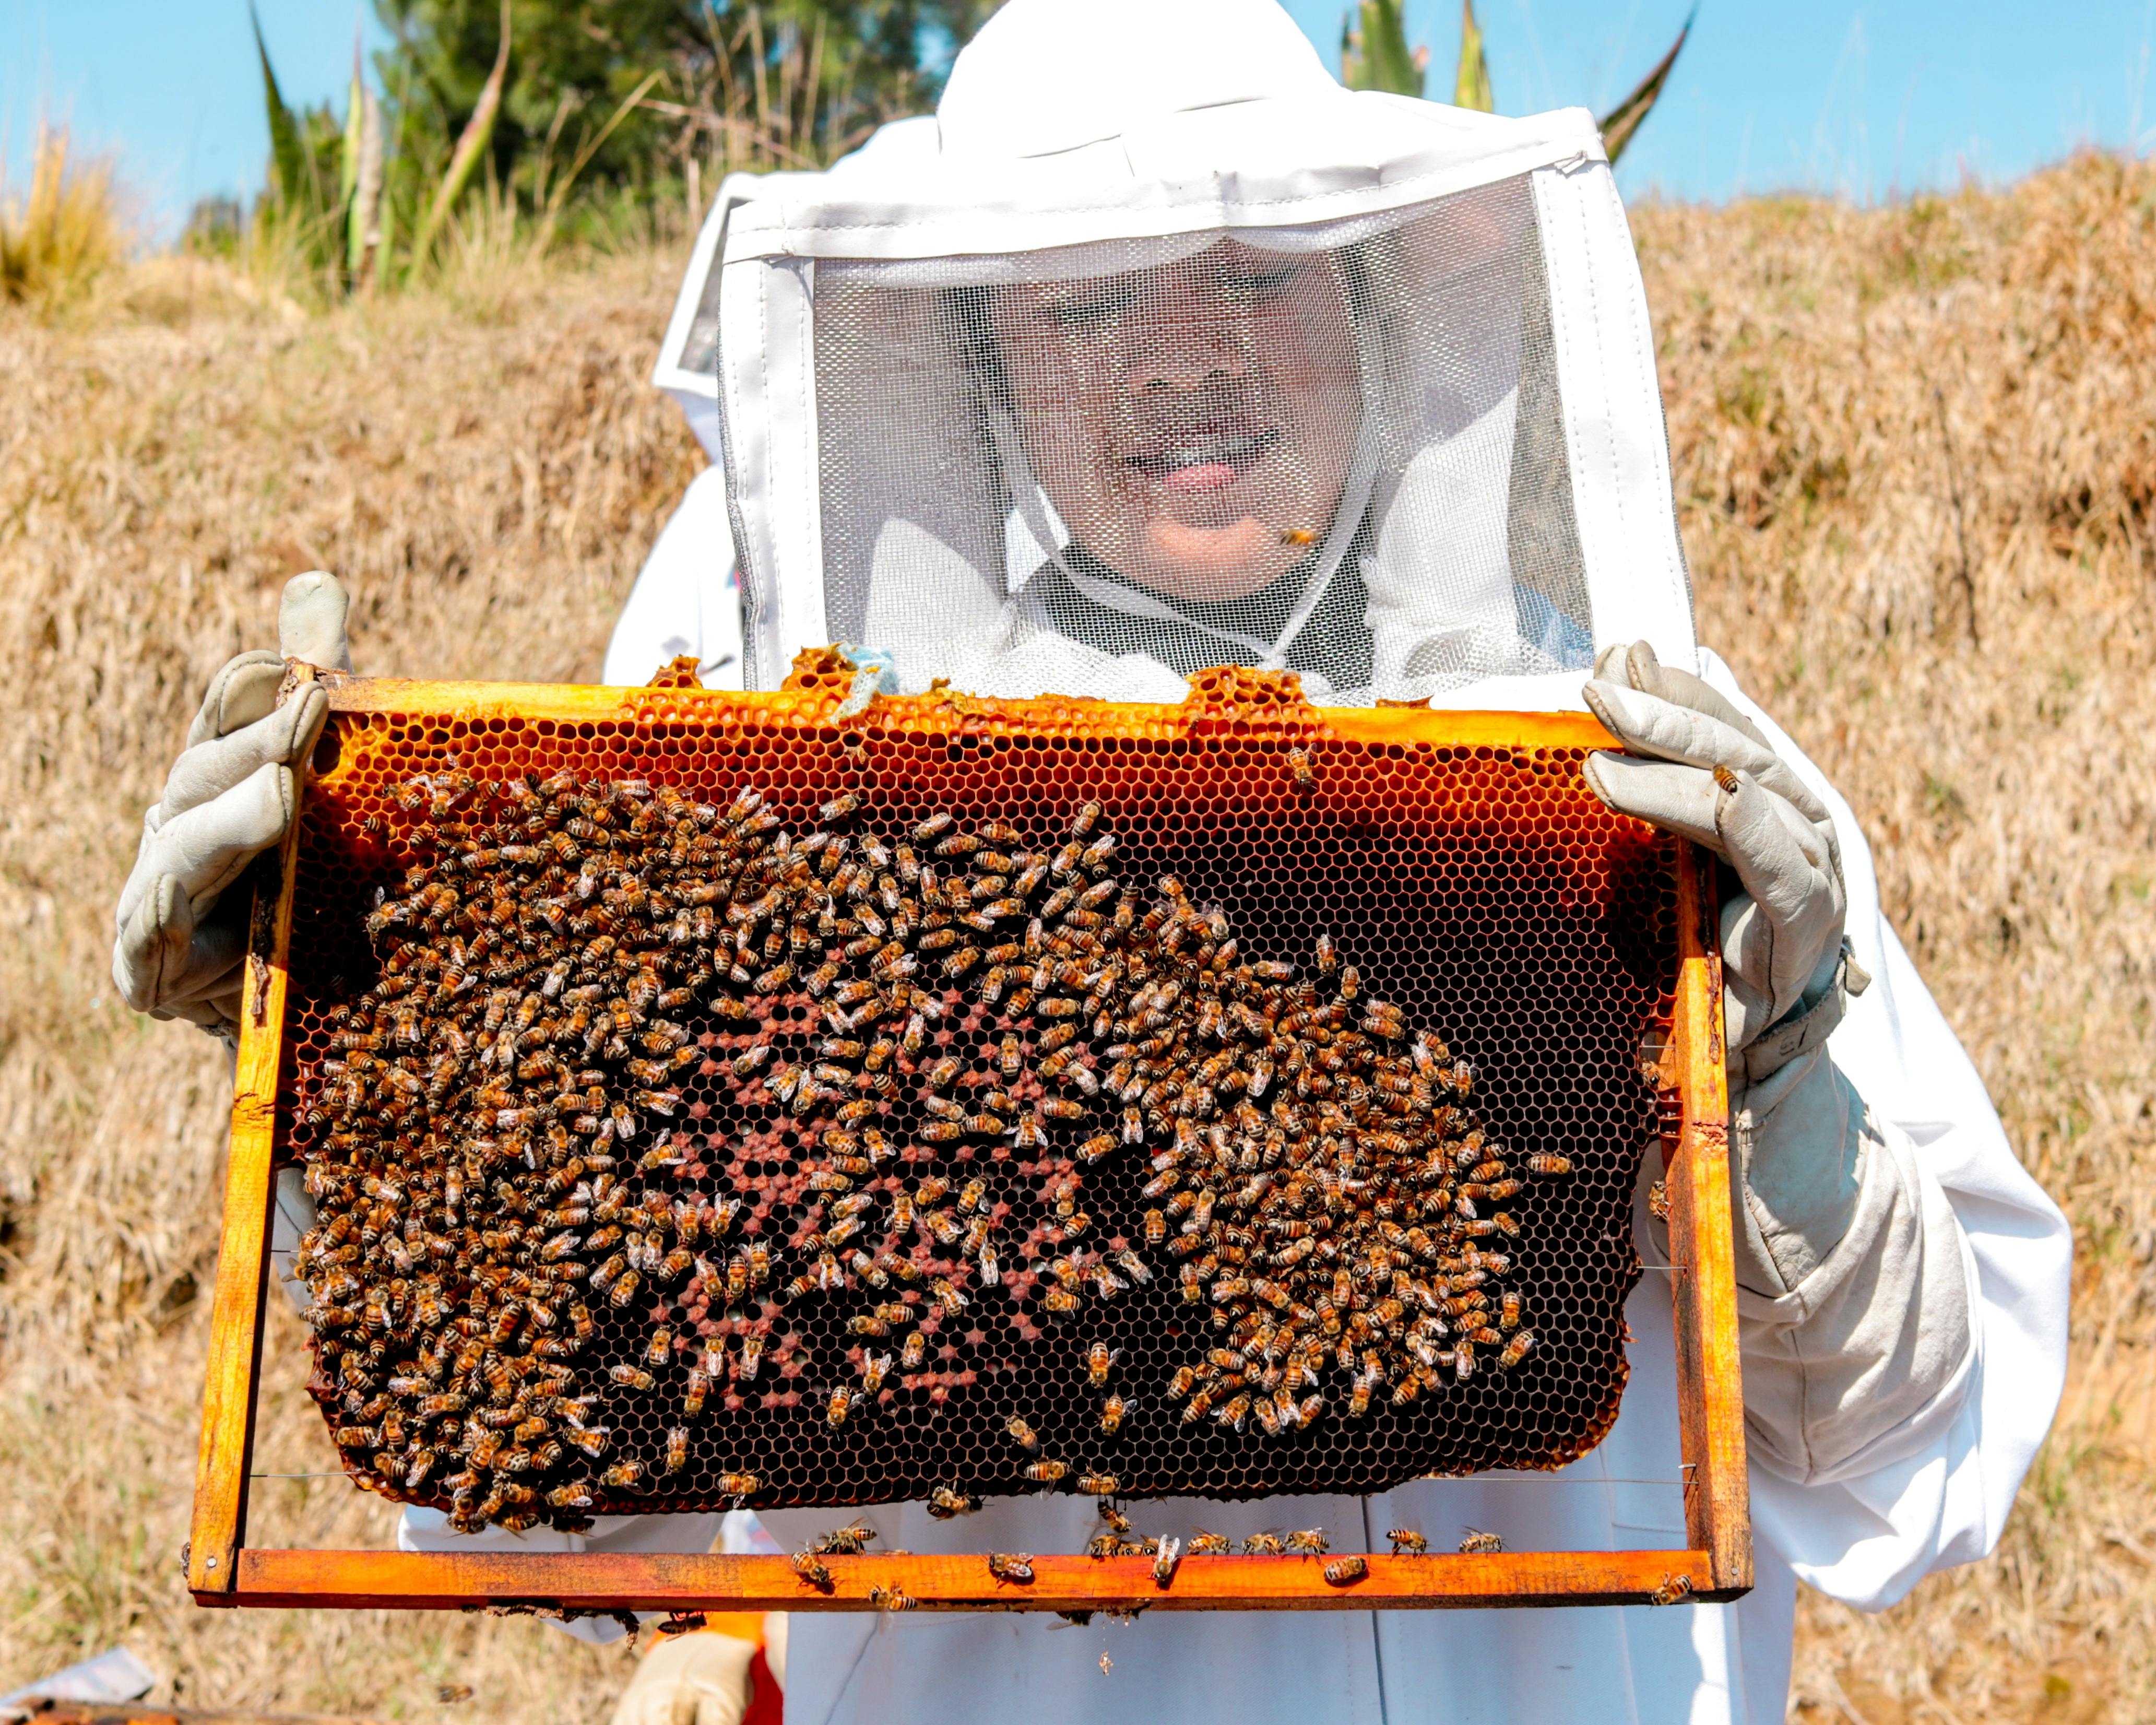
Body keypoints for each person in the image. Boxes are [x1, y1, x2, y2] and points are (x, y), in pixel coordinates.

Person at [115, 3, 2071, 1721]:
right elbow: (554, 1508)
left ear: (1371, 301)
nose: (1176, 357)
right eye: (1082, 300)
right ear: (976, 369)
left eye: (1246, 272)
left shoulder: (1658, 767)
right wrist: (355, 1069)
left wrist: (1787, 1069)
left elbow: (1921, 1452)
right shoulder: (772, 800)